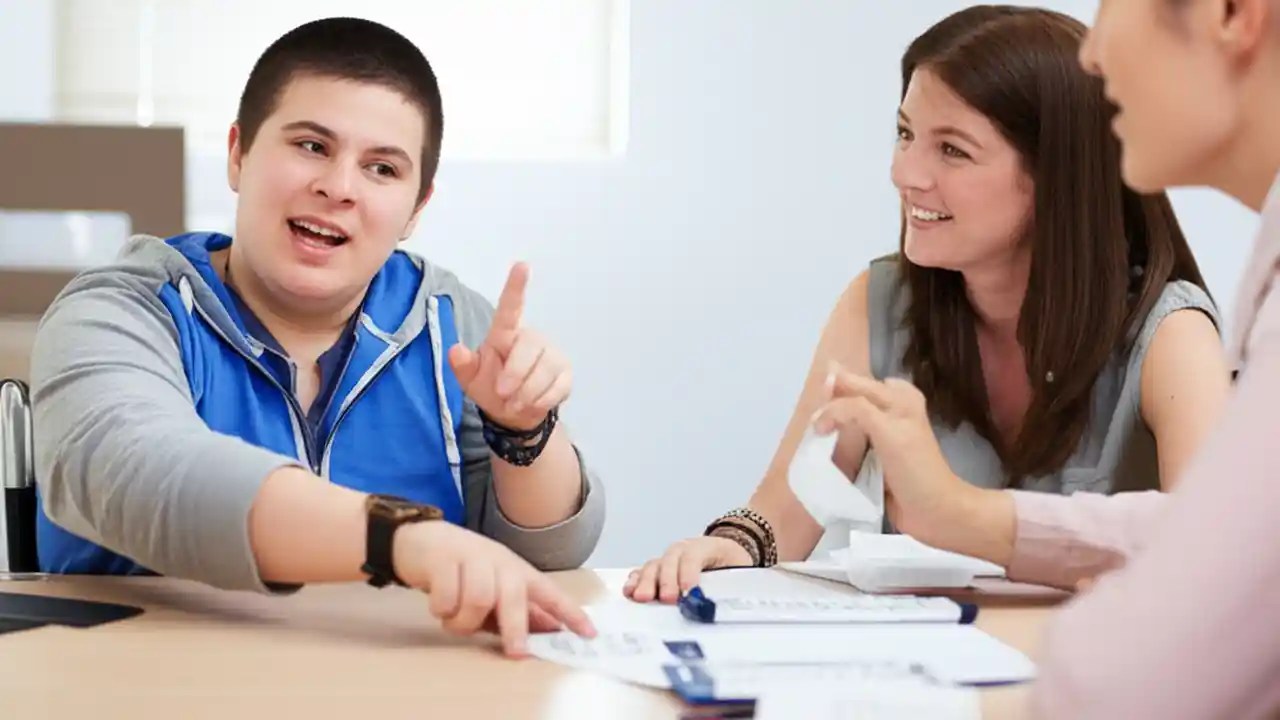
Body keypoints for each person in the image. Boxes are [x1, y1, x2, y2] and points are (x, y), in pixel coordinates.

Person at [29, 17, 603, 657]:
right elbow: (135, 469)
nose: (338, 188)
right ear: (238, 153)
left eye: (382, 168)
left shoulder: (452, 323)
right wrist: (399, 540)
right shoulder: (122, 310)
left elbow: (546, 561)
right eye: (310, 146)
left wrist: (525, 430)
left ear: (417, 207)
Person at [624, 4, 1232, 604]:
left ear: (1057, 178)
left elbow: (1220, 552)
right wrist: (734, 546)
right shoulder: (879, 302)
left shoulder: (1171, 334)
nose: (904, 172)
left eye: (953, 150)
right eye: (906, 133)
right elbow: (781, 516)